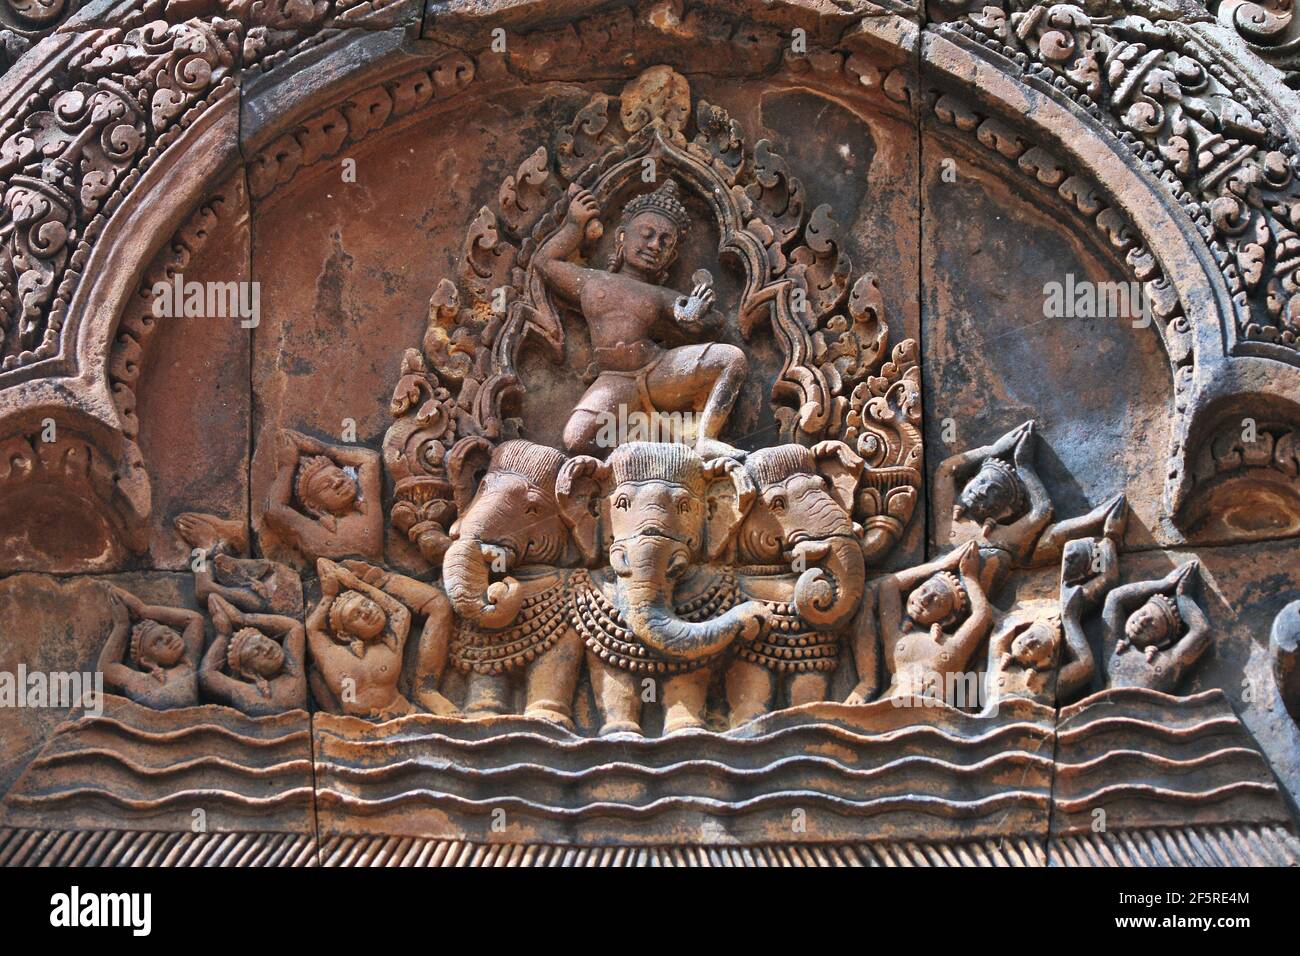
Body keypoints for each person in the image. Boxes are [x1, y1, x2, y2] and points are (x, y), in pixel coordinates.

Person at [534, 180, 748, 459]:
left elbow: (708, 322)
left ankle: (706, 437)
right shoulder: (591, 281)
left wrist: (692, 317)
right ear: (622, 237)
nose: (654, 245)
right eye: (646, 234)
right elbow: (545, 262)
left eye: (664, 242)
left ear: (670, 257)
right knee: (577, 440)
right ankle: (640, 446)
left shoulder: (658, 294)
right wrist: (574, 226)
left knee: (731, 358)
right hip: (615, 380)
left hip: (656, 370)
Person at [263, 428, 383, 562]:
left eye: (338, 474)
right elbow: (275, 510)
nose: (337, 482)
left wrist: (318, 447)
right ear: (313, 505)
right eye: (325, 486)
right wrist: (287, 466)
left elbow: (370, 459)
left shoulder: (368, 511)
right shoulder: (316, 533)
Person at [200, 594, 307, 715]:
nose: (268, 648)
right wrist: (223, 635)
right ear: (249, 672)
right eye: (257, 652)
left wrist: (243, 619)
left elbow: (294, 628)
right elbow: (207, 675)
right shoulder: (247, 692)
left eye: (265, 640)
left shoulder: (291, 671)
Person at [98, 586, 203, 709]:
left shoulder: (187, 665)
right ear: (147, 660)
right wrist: (121, 625)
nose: (167, 639)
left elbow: (194, 620)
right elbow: (107, 667)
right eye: (157, 641)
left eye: (167, 632)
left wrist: (144, 610)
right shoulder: (140, 682)